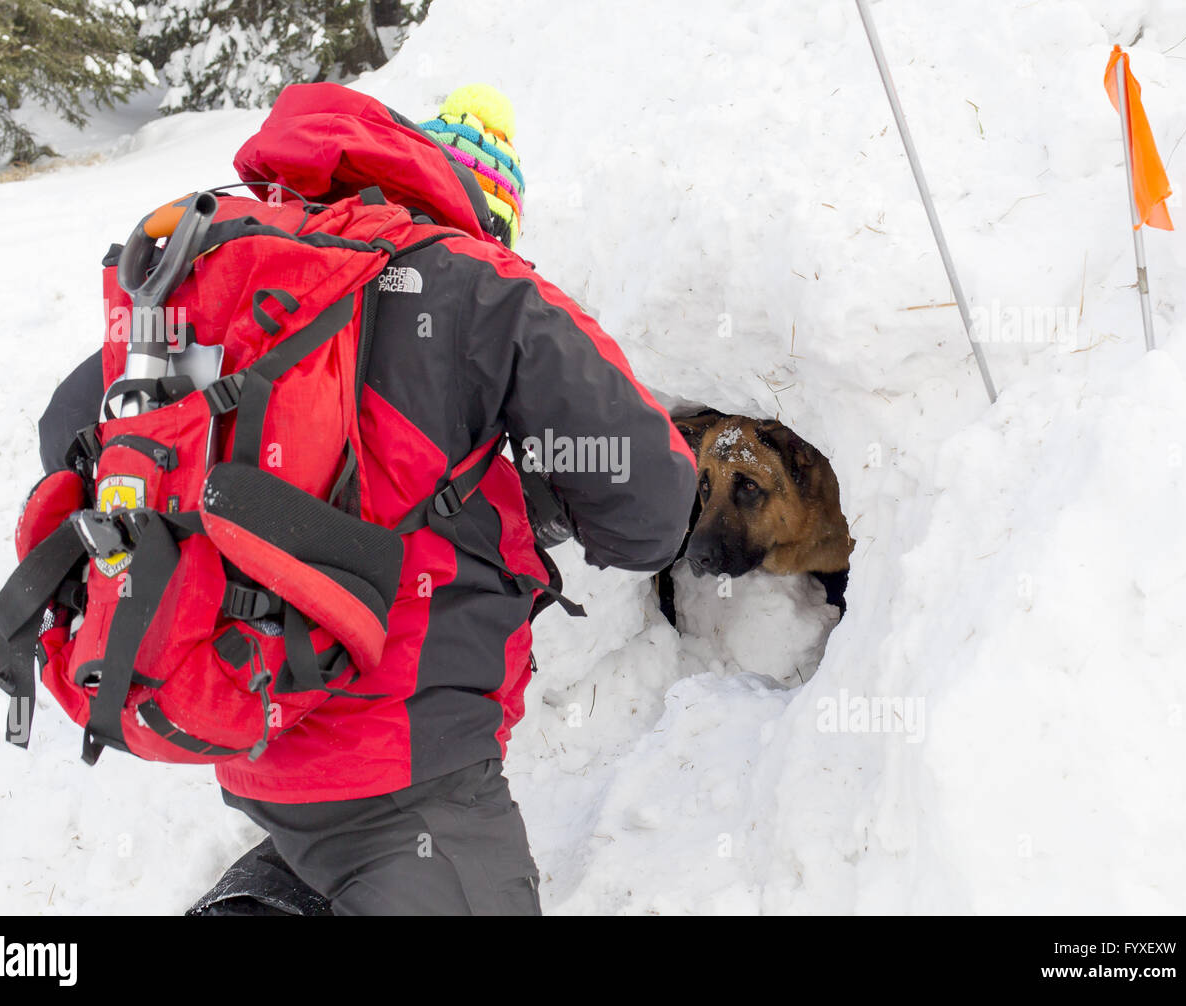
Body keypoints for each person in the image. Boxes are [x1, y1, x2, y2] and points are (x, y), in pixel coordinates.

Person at [37, 83, 697, 915]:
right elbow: (652, 510)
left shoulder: (244, 272)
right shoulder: (480, 284)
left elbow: (68, 427)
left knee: (341, 849)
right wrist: (525, 499)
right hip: (405, 760)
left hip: (249, 709)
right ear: (485, 213)